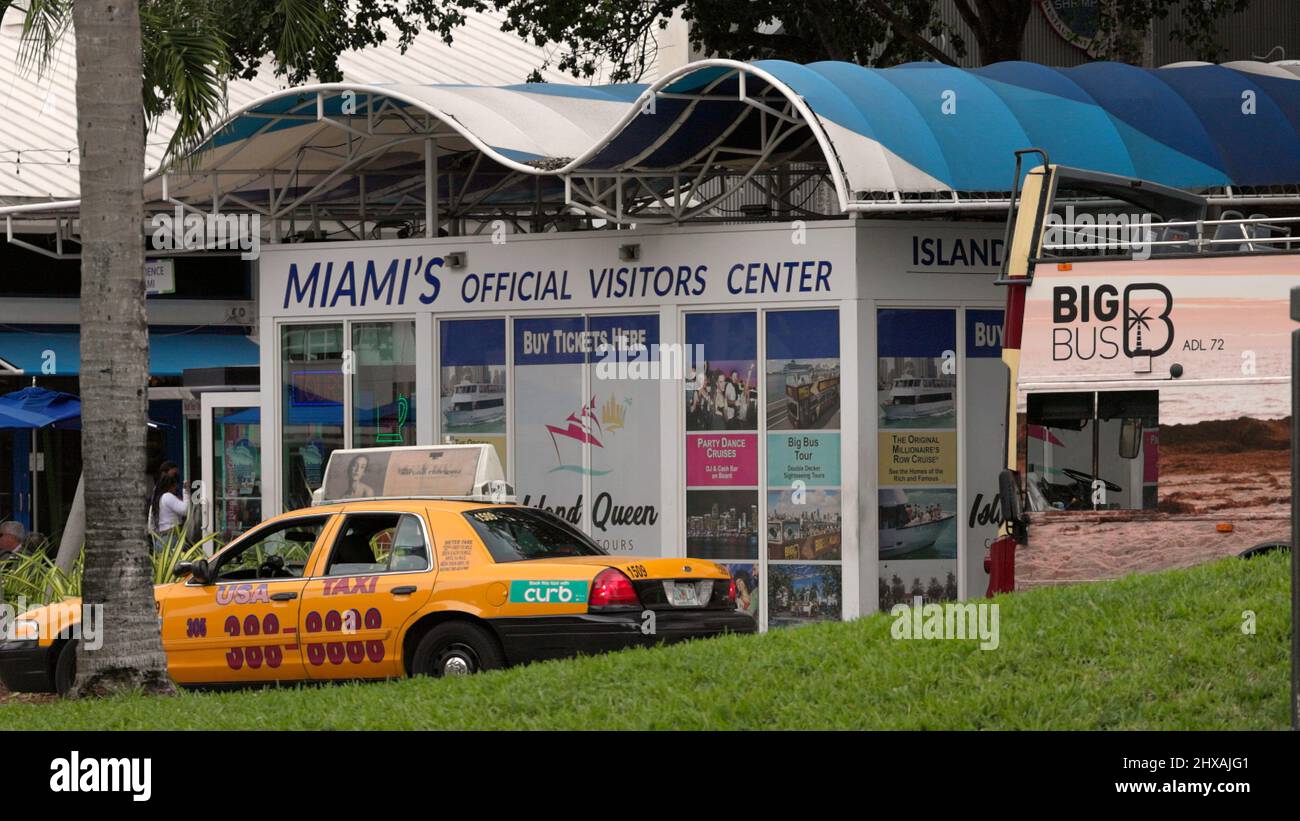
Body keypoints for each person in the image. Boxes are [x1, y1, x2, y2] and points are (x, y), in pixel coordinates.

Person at [151, 474, 188, 549]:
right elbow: (185, 510)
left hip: (161, 539)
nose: (176, 488)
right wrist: (186, 492)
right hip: (171, 538)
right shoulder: (167, 496)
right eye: (174, 485)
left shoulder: (158, 498)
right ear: (170, 486)